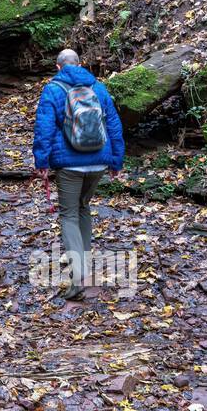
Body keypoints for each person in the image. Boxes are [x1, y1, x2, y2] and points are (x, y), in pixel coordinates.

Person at [31, 48, 125, 300]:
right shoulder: (99, 87)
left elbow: (45, 127)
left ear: (58, 67)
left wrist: (41, 161)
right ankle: (85, 267)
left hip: (69, 165)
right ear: (80, 64)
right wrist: (116, 161)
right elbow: (114, 124)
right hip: (99, 162)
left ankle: (78, 277)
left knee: (69, 214)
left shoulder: (53, 89)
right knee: (83, 207)